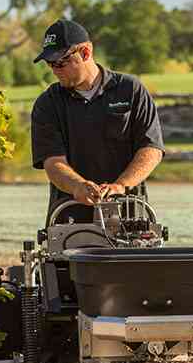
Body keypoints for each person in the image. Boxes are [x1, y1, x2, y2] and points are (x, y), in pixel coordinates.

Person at [30, 19, 165, 224]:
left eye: (60, 62)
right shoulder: (47, 104)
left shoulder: (131, 90)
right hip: (69, 220)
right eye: (50, 64)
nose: (55, 70)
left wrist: (121, 186)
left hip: (130, 219)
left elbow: (151, 149)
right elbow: (52, 162)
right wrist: (78, 186)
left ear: (85, 53)